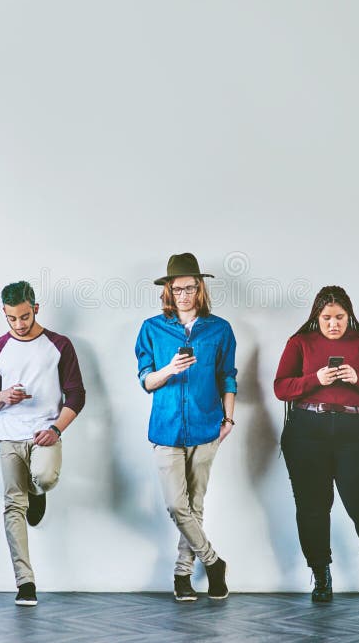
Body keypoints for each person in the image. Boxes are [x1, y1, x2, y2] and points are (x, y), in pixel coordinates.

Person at [273, 285, 359, 603]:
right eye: (327, 318)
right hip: (307, 430)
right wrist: (314, 380)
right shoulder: (300, 342)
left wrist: (357, 378)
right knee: (313, 508)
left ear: (350, 315)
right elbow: (281, 388)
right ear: (316, 317)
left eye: (339, 317)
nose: (333, 324)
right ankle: (321, 576)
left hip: (354, 431)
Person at [135, 253, 237, 602]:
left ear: (200, 288)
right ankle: (213, 562)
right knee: (177, 505)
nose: (183, 294)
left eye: (190, 287)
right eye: (177, 288)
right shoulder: (152, 329)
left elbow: (228, 376)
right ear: (167, 290)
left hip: (207, 426)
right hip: (165, 429)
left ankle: (182, 575)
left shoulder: (220, 329)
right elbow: (147, 382)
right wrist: (169, 369)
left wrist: (228, 418)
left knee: (195, 504)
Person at [0, 280, 86, 606]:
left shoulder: (59, 345)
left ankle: (36, 490)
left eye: (25, 316)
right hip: (8, 433)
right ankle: (25, 583)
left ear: (35, 308)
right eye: (12, 318)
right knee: (13, 505)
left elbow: (77, 394)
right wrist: (2, 397)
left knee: (46, 477)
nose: (20, 324)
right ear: (5, 314)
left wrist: (57, 428)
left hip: (44, 431)